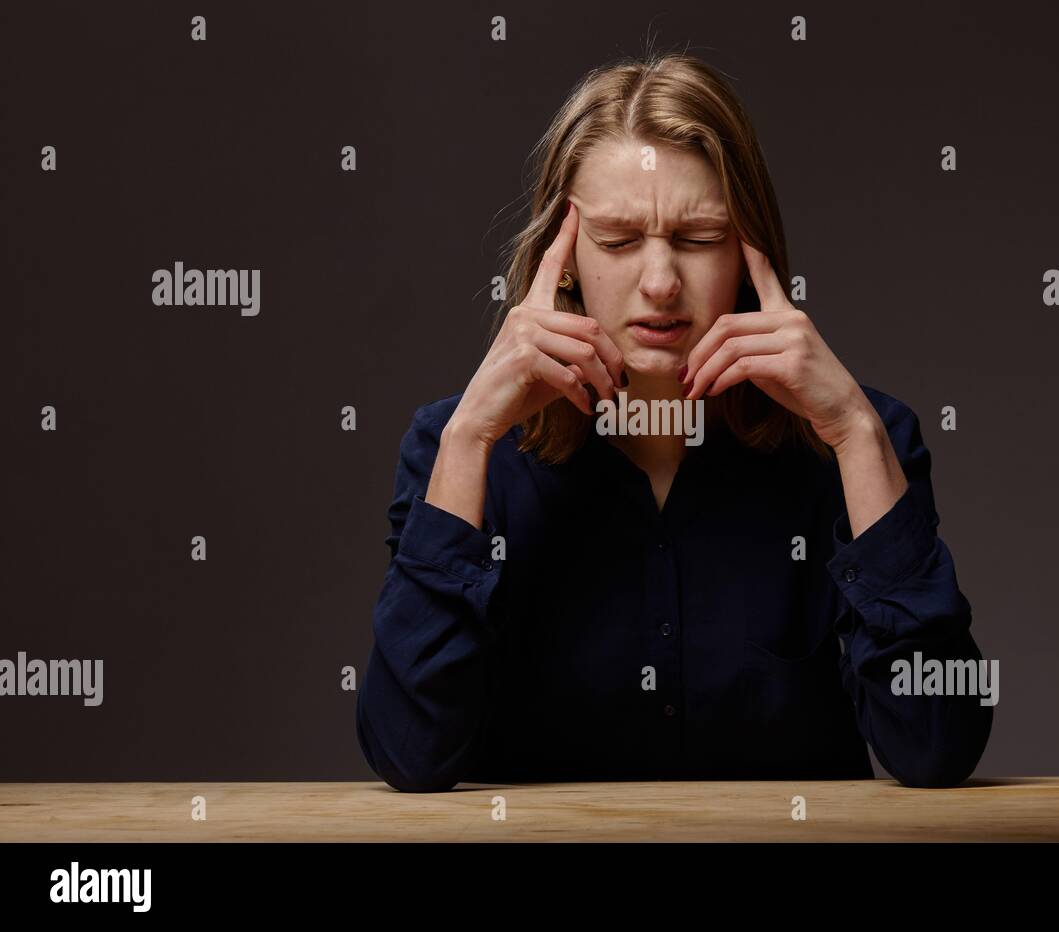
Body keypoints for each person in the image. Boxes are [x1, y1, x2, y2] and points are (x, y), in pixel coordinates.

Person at [355, 52, 993, 790]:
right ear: (561, 261)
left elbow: (938, 746)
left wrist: (852, 429)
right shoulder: (454, 446)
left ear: (751, 249)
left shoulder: (861, 441)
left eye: (698, 238)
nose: (659, 284)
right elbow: (408, 752)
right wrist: (469, 440)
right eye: (619, 241)